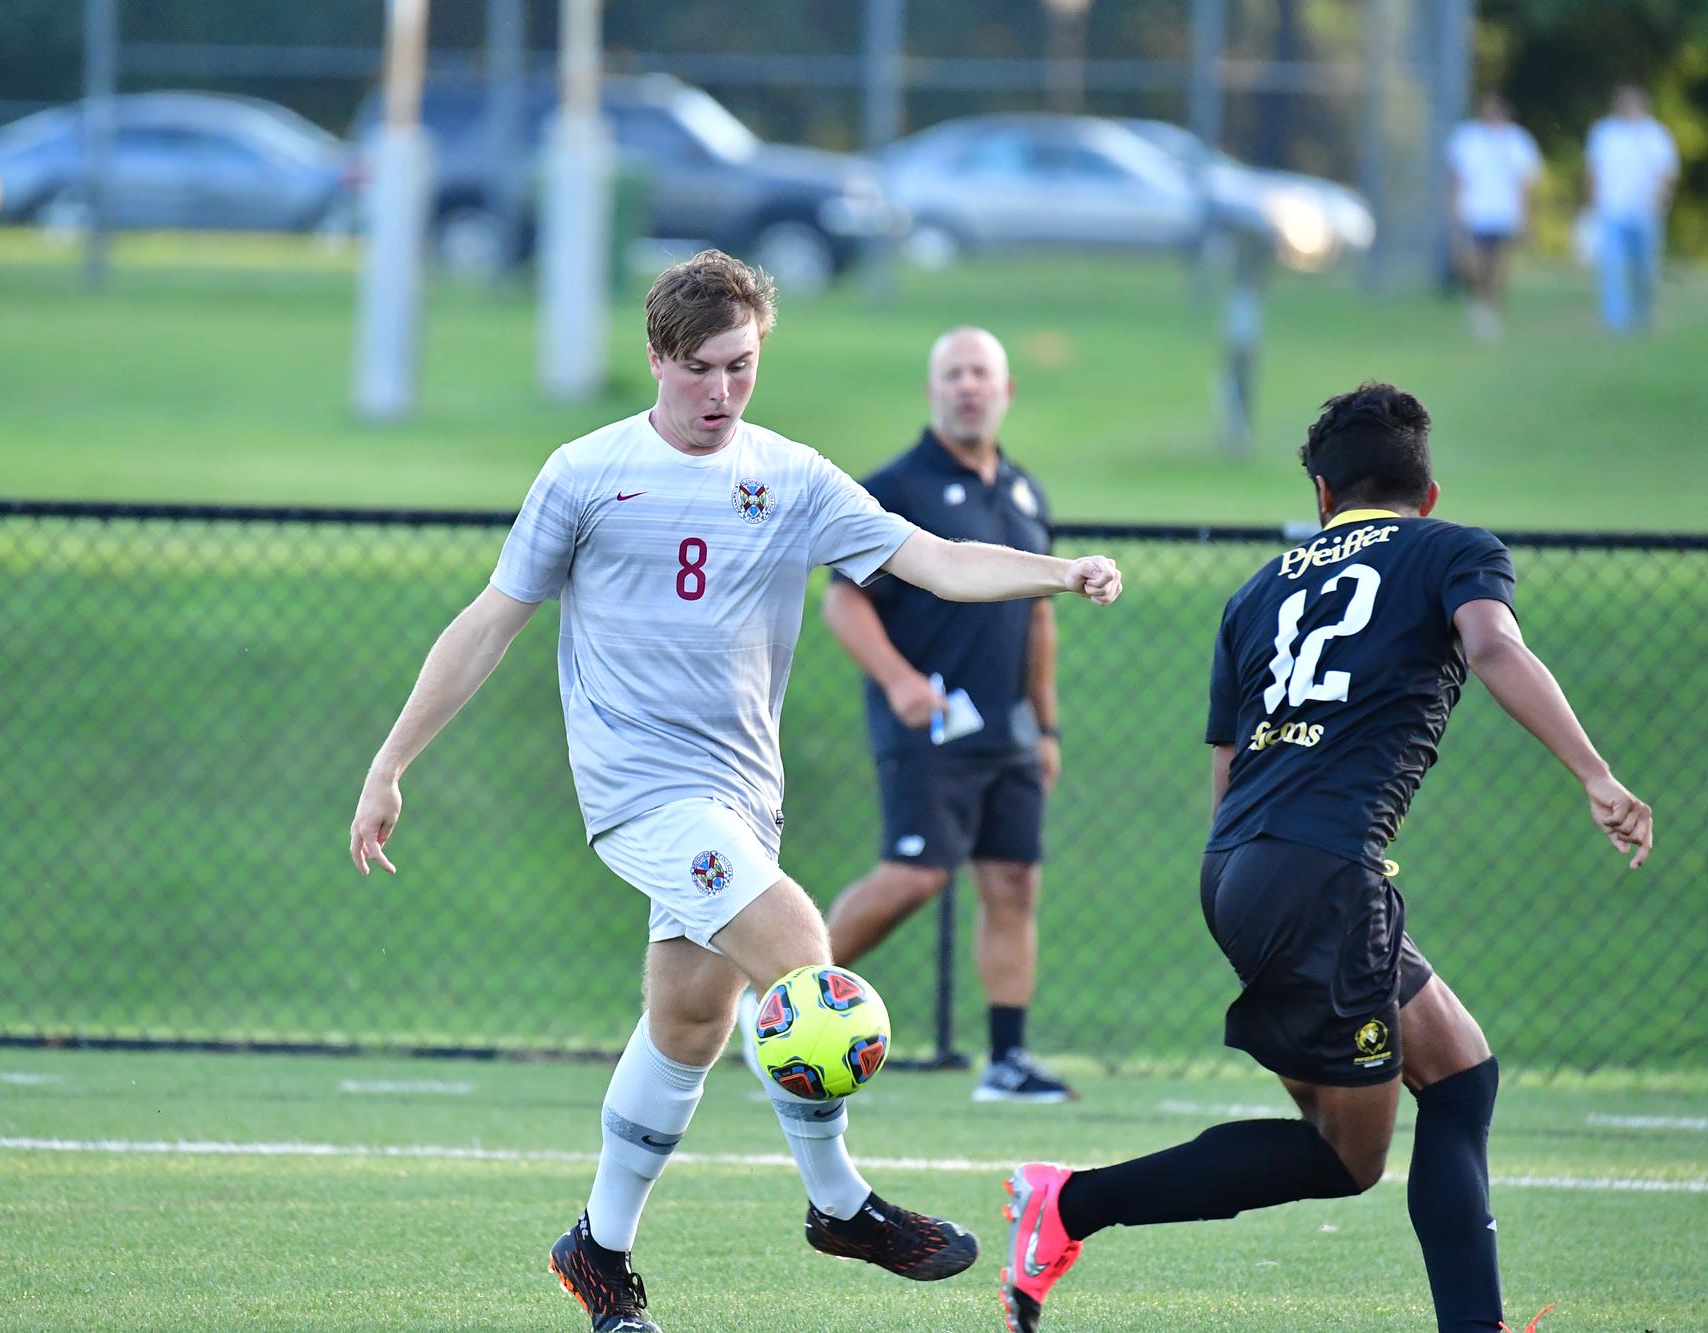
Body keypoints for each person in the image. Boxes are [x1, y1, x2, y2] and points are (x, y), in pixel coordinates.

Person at [346, 250, 1123, 1333]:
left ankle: (597, 1251)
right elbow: (487, 623)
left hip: (739, 794)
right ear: (658, 357)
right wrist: (389, 765)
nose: (722, 392)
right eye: (703, 368)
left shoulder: (791, 476)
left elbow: (938, 561)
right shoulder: (585, 471)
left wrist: (1060, 569)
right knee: (803, 953)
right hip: (639, 793)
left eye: (742, 368)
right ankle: (837, 1202)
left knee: (691, 1017)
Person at [999, 383, 1652, 1333]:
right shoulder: (1453, 548)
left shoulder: (1256, 590)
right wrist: (1595, 774)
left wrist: (1262, 896)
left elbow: (1229, 767)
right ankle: (1068, 1203)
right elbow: (1496, 646)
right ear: (1427, 492)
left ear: (1320, 493)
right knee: (1347, 1159)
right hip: (1323, 876)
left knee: (1462, 1076)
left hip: (1246, 867)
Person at [818, 325, 1074, 1103]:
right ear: (933, 390)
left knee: (1013, 882)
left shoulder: (1027, 492)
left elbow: (1037, 617)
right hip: (927, 726)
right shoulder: (896, 487)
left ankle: (1006, 1059)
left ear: (1006, 391)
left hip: (1008, 734)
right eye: (953, 374)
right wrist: (898, 682)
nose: (968, 387)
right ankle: (782, 1003)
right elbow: (842, 601)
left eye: (981, 374)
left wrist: (1047, 723)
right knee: (915, 876)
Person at [1445, 95, 1542, 340]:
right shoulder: (1468, 139)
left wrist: (1526, 214)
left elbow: (1525, 182)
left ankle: (1491, 311)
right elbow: (1458, 177)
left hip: (1504, 213)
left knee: (1498, 265)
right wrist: (1455, 207)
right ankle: (1480, 301)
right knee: (1474, 262)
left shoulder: (1517, 140)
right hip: (1476, 211)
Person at [1585, 84, 1680, 334]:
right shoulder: (1605, 133)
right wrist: (1593, 202)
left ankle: (1642, 314)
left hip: (1645, 211)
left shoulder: (1656, 134)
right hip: (1612, 208)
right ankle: (1616, 322)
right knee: (1613, 267)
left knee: (1644, 268)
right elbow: (1594, 171)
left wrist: (1661, 200)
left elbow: (1667, 171)